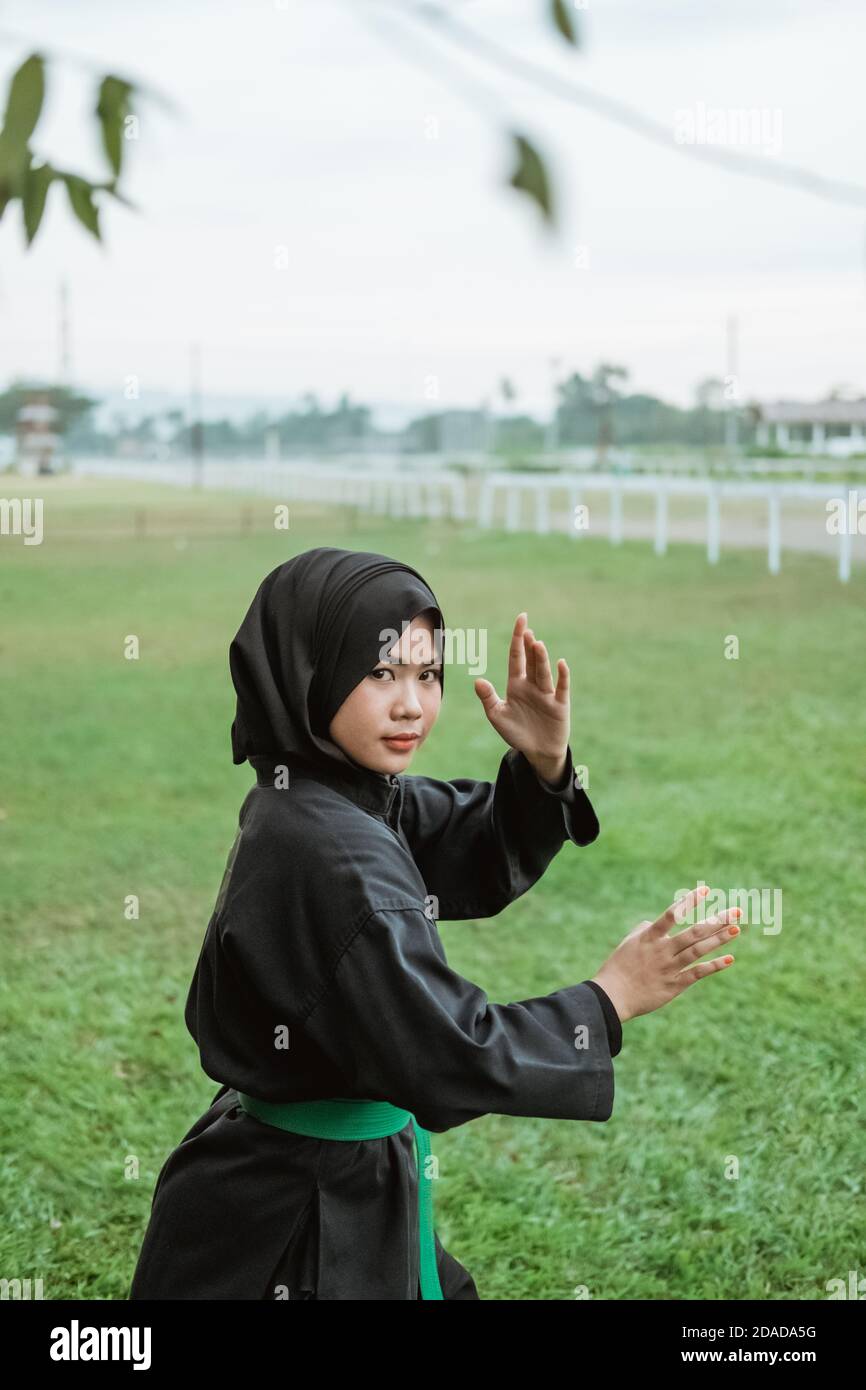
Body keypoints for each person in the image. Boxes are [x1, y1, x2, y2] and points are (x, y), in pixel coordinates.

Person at [128, 545, 739, 1301]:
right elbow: (448, 1052)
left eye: (427, 674)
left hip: (315, 1173)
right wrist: (609, 998)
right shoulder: (328, 849)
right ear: (308, 668)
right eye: (380, 672)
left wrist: (545, 766)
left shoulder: (322, 793)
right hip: (300, 1214)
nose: (411, 704)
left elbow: (469, 841)